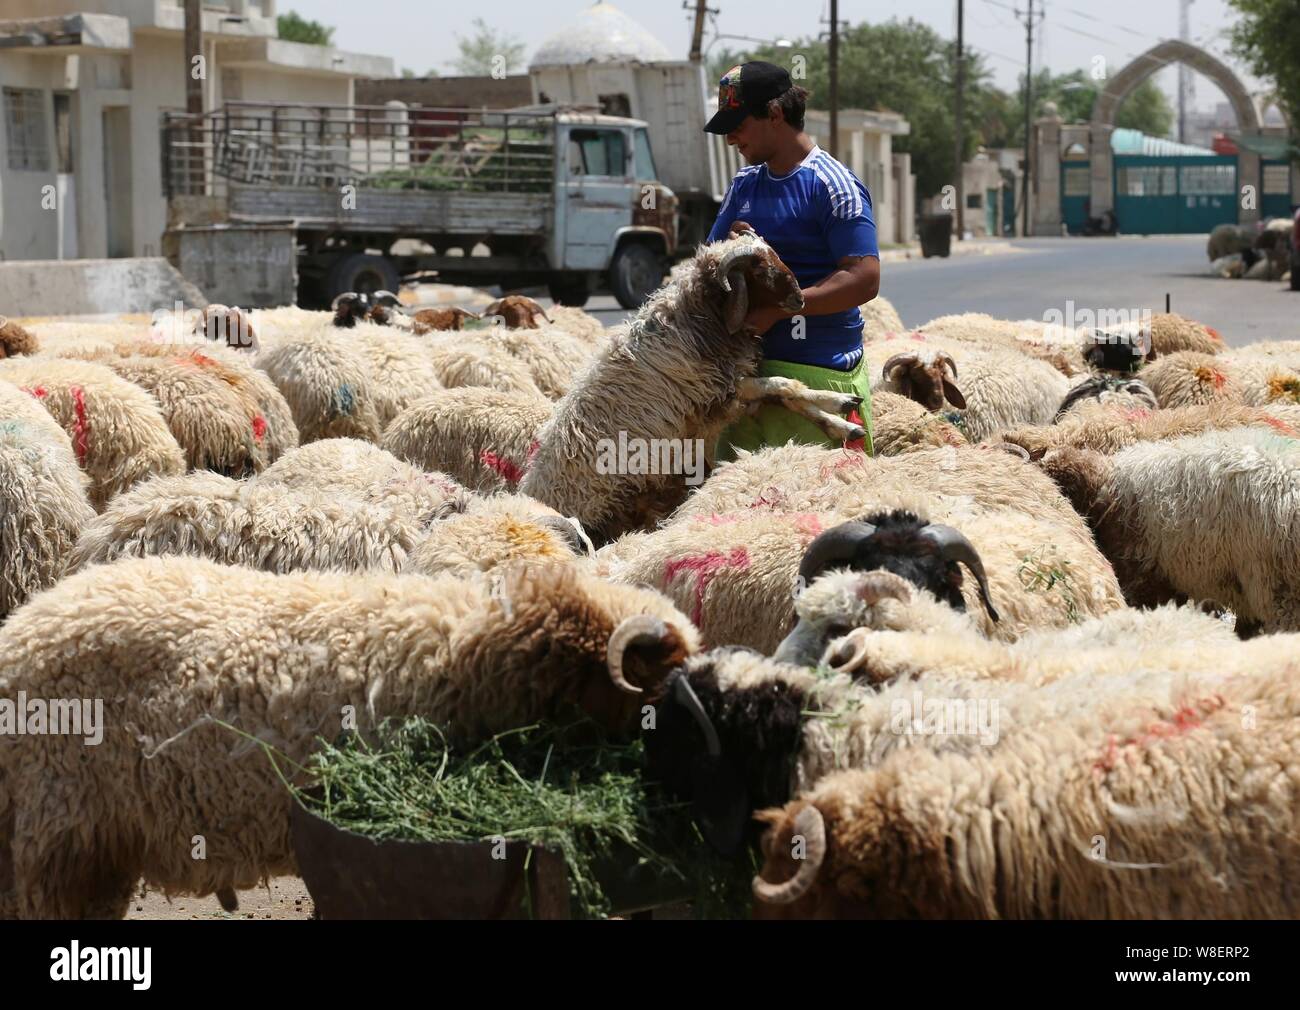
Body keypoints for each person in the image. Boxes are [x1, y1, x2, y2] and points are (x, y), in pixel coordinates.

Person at [704, 61, 881, 457]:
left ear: (775, 114)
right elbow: (708, 263)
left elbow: (864, 278)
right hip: (748, 385)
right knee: (741, 511)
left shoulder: (833, 185)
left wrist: (783, 311)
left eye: (739, 123)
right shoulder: (743, 185)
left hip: (818, 382)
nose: (731, 138)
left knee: (820, 513)